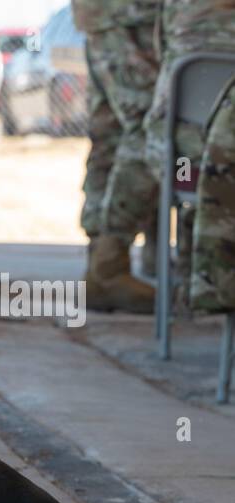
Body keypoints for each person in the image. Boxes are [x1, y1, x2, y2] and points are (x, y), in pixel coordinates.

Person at [145, 0, 235, 312]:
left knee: (186, 183)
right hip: (225, 168)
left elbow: (159, 122)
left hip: (188, 162)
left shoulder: (183, 25)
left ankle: (187, 283)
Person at [73, 0, 162, 312]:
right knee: (154, 129)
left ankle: (101, 266)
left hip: (112, 17)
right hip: (131, 18)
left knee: (111, 136)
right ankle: (107, 266)